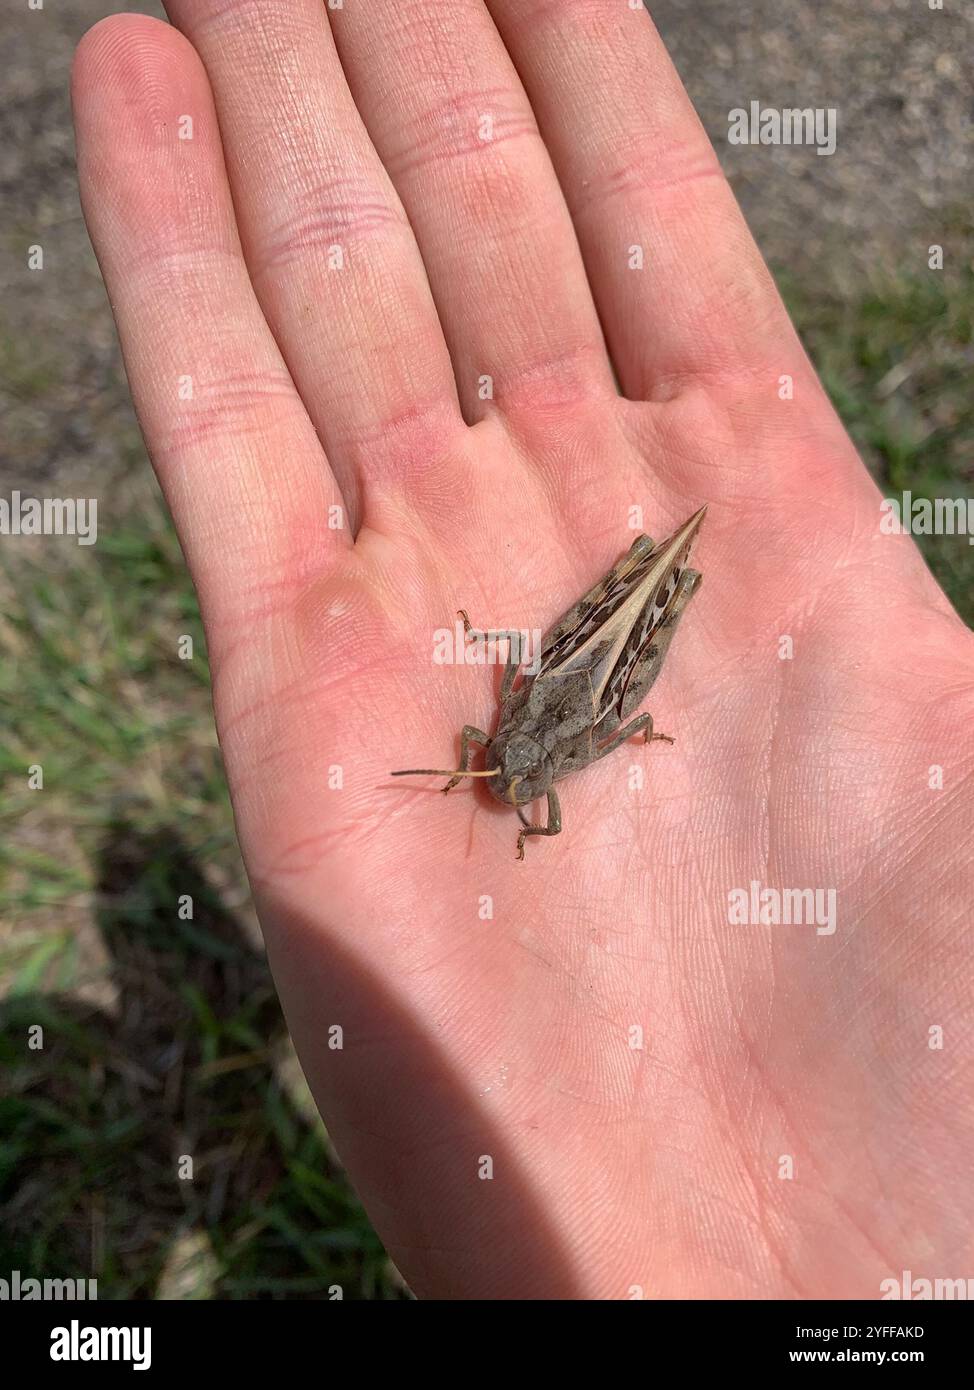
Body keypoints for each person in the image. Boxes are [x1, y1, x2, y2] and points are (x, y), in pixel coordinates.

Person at [72, 3, 974, 1299]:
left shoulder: (532, 758)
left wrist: (546, 758)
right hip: (570, 675)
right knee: (611, 639)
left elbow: (564, 733)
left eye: (498, 778)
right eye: (491, 775)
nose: (495, 780)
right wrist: (489, 764)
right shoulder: (512, 756)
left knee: (636, 624)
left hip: (592, 670)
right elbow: (521, 742)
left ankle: (676, 556)